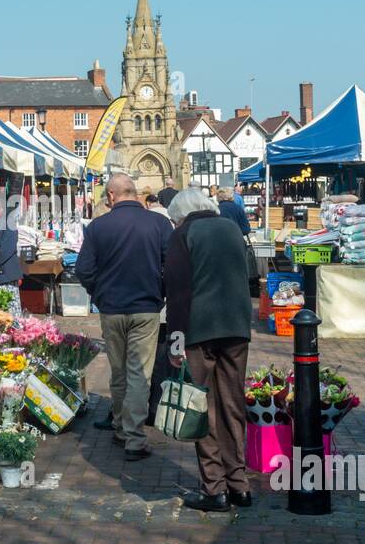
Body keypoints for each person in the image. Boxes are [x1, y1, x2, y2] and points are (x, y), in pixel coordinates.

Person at [165, 189, 254, 512]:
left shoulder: (183, 235)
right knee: (232, 404)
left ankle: (214, 488)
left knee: (201, 407)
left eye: (174, 219)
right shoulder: (230, 226)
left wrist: (174, 341)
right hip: (236, 327)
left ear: (181, 215)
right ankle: (239, 484)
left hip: (200, 329)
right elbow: (248, 275)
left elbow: (177, 293)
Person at [76, 173, 172, 461]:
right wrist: (161, 291)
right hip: (146, 307)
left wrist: (99, 293)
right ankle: (133, 436)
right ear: (136, 194)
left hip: (111, 309)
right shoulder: (158, 223)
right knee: (138, 373)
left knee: (118, 371)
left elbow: (84, 270)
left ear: (111, 196)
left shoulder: (98, 226)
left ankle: (121, 427)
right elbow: (173, 264)